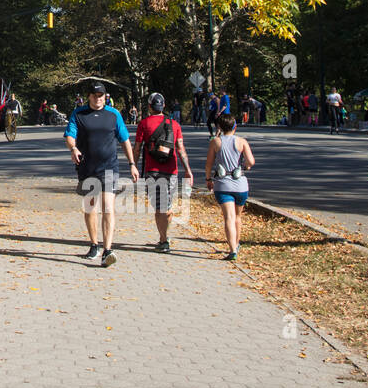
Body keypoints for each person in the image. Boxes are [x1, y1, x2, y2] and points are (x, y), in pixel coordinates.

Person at [65, 81, 138, 267]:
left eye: (101, 96)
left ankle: (108, 249)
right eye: (94, 95)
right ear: (88, 96)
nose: (98, 99)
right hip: (87, 167)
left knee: (108, 207)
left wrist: (132, 164)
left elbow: (125, 140)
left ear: (106, 96)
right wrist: (73, 148)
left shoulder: (114, 115)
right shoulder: (79, 114)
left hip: (109, 167)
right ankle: (94, 244)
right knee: (90, 208)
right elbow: (69, 135)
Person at [135, 92, 194, 252]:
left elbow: (138, 147)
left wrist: (133, 164)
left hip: (152, 170)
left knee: (159, 207)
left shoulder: (144, 124)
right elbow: (181, 149)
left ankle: (163, 240)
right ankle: (165, 237)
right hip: (171, 170)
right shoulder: (174, 124)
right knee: (166, 205)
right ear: (164, 106)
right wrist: (188, 170)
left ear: (149, 106)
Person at [205, 113, 255, 260]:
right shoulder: (242, 142)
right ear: (235, 127)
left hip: (223, 184)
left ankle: (232, 249)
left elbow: (208, 164)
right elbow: (251, 161)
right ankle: (236, 244)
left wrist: (208, 179)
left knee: (229, 217)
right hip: (240, 185)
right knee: (237, 217)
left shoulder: (215, 142)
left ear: (219, 127)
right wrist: (245, 166)